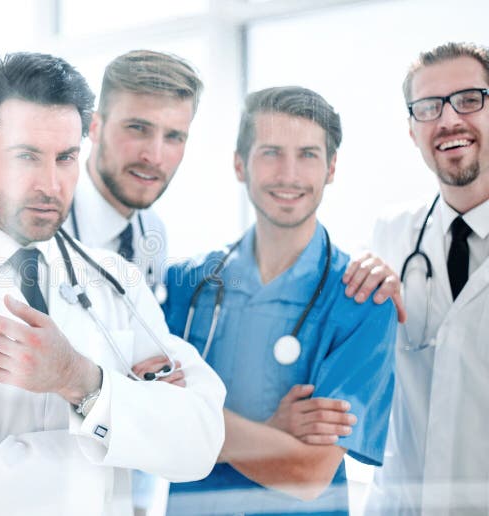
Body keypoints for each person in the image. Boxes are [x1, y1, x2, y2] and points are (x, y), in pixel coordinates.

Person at [0, 52, 226, 516]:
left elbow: (198, 443)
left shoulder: (116, 281)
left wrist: (81, 380)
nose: (51, 185)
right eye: (25, 157)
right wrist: (119, 443)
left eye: (66, 157)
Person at [158, 86, 397, 515]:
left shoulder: (362, 301)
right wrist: (270, 432)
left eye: (307, 154)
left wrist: (200, 421)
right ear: (239, 164)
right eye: (270, 153)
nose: (289, 174)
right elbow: (151, 425)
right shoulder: (185, 286)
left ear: (331, 167)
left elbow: (307, 474)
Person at [365, 42, 489, 515]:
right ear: (413, 129)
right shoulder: (390, 234)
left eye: (470, 99)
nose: (449, 120)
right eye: (429, 107)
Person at [64, 49, 201, 299]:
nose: (155, 156)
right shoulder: (41, 226)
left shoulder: (152, 230)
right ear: (94, 128)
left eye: (173, 137)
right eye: (138, 128)